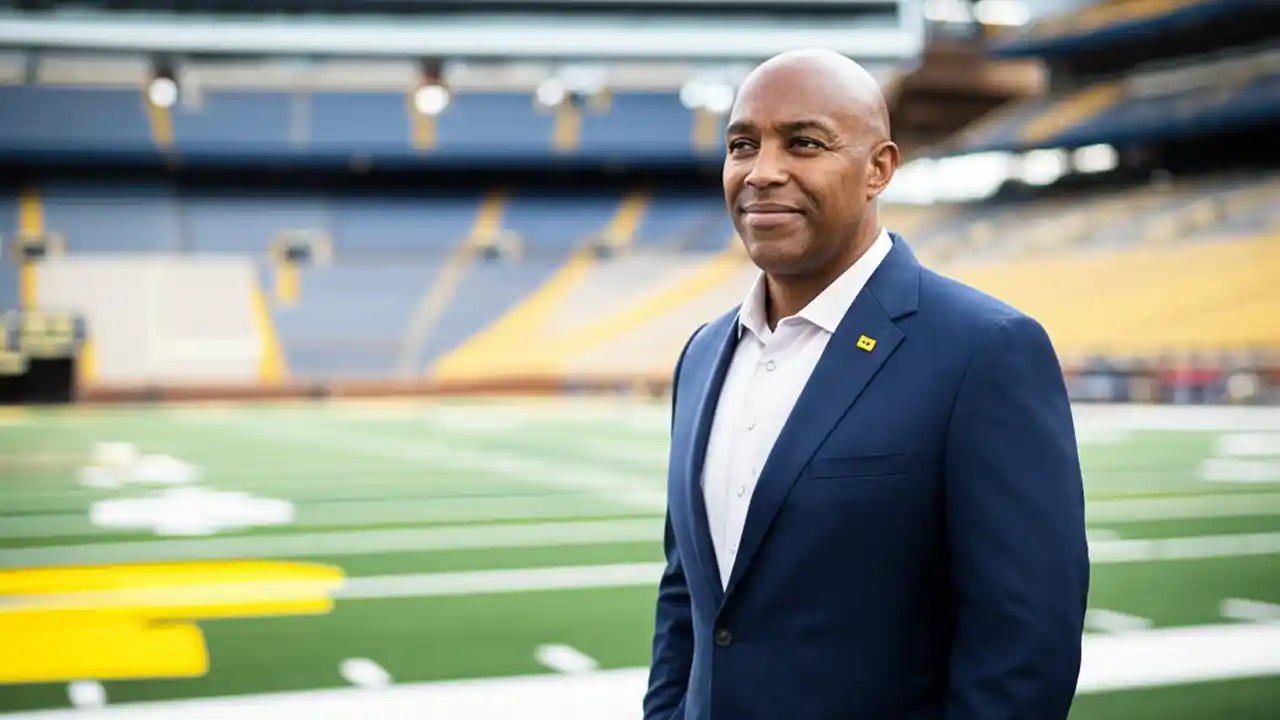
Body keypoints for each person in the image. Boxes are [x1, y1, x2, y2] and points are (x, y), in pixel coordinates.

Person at [643, 49, 1089, 720]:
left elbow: (1025, 651)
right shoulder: (703, 354)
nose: (763, 171)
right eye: (743, 145)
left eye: (804, 143)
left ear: (879, 167)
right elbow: (688, 599)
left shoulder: (985, 350)